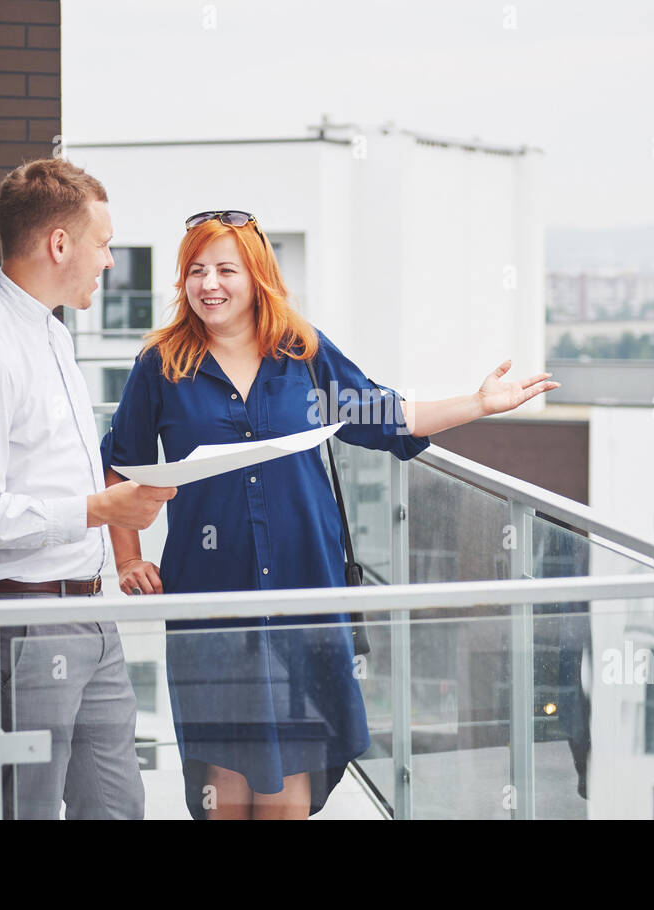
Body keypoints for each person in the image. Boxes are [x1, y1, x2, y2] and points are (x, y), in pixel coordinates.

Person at [100, 209, 559, 819]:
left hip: (305, 597)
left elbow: (387, 417)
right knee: (224, 782)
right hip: (209, 601)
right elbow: (122, 466)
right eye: (195, 271)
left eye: (225, 270)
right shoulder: (163, 364)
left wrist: (476, 404)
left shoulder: (303, 353)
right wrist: (128, 557)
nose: (208, 284)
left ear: (257, 275)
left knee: (291, 779)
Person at [0, 158, 177, 819]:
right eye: (102, 244)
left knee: (117, 808)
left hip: (92, 616)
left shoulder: (55, 337)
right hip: (23, 625)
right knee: (22, 812)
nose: (109, 262)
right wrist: (98, 509)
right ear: (59, 244)